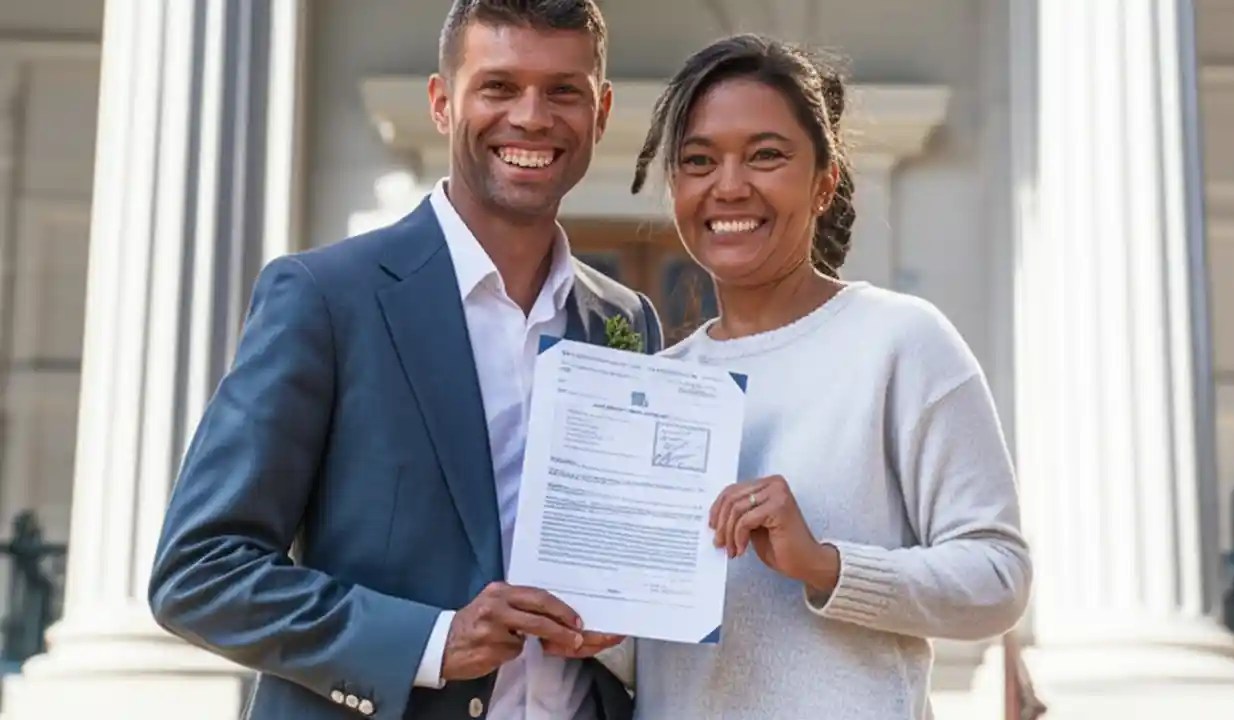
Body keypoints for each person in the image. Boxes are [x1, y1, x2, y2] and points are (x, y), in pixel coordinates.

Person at [147, 2, 660, 719]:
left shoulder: (625, 321)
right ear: (443, 103)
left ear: (600, 112)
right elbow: (199, 573)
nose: (533, 116)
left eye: (563, 91)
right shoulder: (326, 299)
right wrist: (431, 640)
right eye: (499, 87)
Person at [613, 34, 1033, 719]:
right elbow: (655, 653)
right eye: (698, 161)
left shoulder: (899, 341)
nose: (729, 185)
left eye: (766, 155)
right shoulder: (660, 385)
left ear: (824, 180)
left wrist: (828, 565)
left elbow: (999, 578)